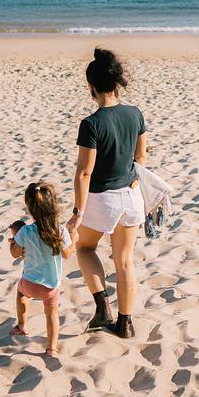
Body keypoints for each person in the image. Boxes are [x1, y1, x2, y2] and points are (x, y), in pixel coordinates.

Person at [67, 48, 147, 339]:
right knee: (124, 261)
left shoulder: (91, 124)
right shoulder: (135, 114)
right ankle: (125, 324)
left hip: (103, 199)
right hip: (131, 195)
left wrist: (77, 213)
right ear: (116, 83)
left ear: (91, 87)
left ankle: (103, 307)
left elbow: (84, 173)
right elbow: (141, 158)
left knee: (85, 248)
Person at [9, 181, 74, 357]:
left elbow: (15, 254)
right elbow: (67, 254)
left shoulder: (26, 231)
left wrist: (15, 240)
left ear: (30, 208)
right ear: (54, 206)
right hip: (51, 288)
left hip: (29, 284)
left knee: (21, 295)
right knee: (51, 314)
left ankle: (22, 326)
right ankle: (51, 348)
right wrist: (73, 239)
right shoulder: (60, 231)